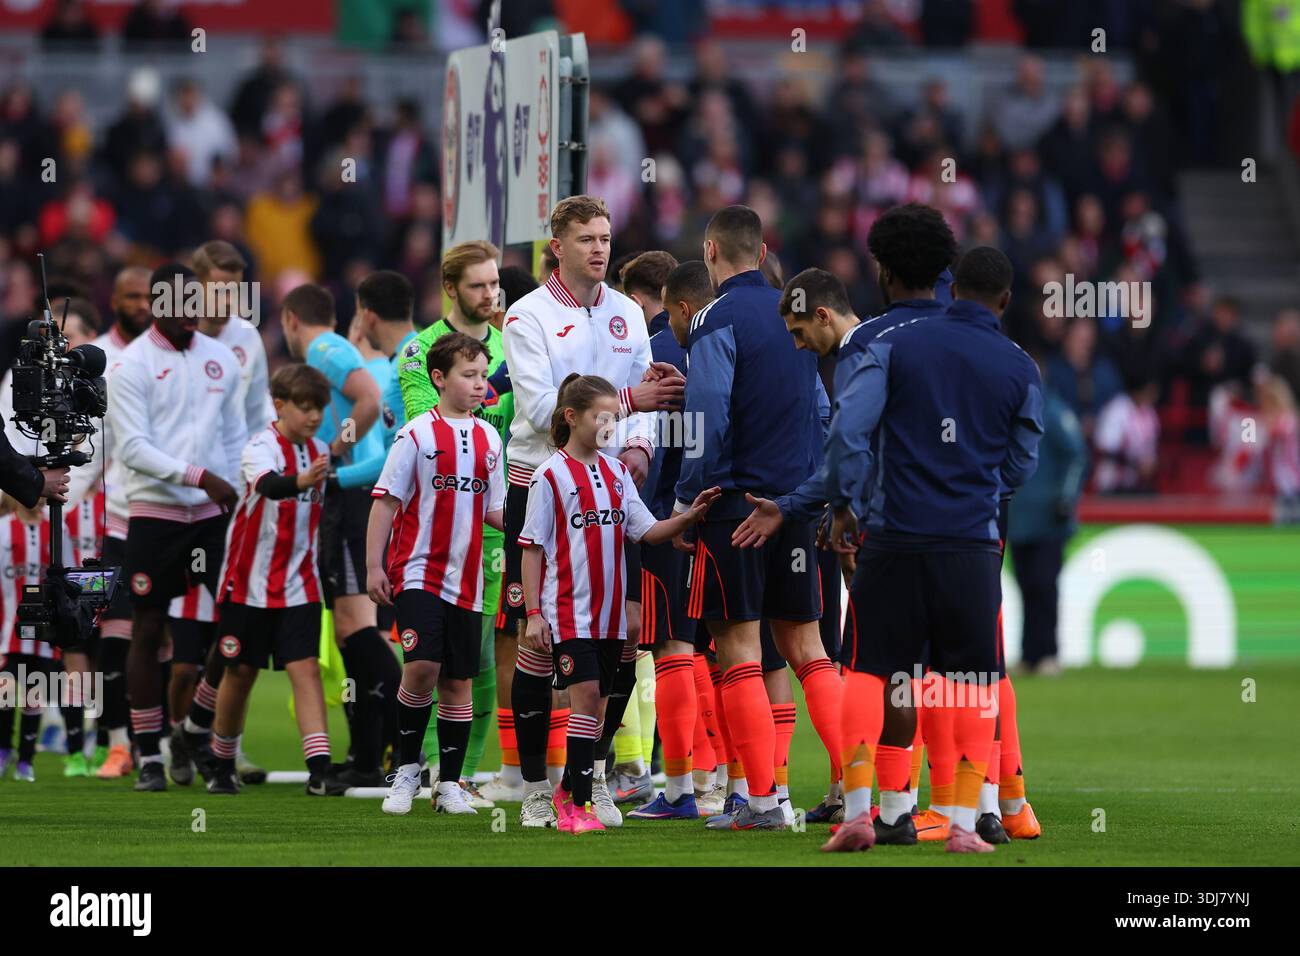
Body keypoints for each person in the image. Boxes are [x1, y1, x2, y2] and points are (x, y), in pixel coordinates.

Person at [821, 246, 1044, 854]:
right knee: (972, 681)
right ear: (1003, 300)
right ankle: (967, 825)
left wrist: (845, 503)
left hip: (891, 538)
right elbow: (1023, 462)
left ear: (953, 289)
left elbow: (848, 430)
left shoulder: (893, 346)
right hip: (971, 546)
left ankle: (861, 816)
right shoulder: (1019, 366)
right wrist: (974, 487)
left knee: (871, 670)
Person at [500, 195, 683, 829]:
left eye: (605, 237)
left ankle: (591, 778)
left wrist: (637, 447)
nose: (600, 249)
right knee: (536, 641)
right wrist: (630, 401)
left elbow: (653, 402)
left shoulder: (629, 312)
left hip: (613, 488)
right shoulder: (527, 316)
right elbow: (537, 409)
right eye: (586, 239)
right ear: (558, 246)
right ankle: (530, 786)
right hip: (541, 484)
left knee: (622, 644)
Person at [672, 204, 839, 832]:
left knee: (737, 648)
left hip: (737, 505)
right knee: (808, 648)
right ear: (764, 251)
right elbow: (821, 408)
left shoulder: (717, 315)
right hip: (795, 505)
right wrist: (808, 490)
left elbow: (709, 412)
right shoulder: (789, 314)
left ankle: (765, 802)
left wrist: (692, 497)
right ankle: (858, 785)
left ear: (711, 251)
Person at [518, 374, 719, 834]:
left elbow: (646, 531)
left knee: (600, 707)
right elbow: (531, 548)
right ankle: (575, 807)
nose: (611, 426)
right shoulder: (548, 476)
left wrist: (689, 516)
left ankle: (573, 791)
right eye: (602, 417)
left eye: (615, 417)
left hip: (611, 618)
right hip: (569, 613)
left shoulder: (615, 472)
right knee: (585, 699)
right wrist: (532, 614)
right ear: (571, 418)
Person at [104, 263, 246, 792]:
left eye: (197, 300)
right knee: (147, 629)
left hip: (210, 516)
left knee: (236, 624)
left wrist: (234, 487)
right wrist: (200, 476)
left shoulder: (219, 359)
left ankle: (194, 727)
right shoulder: (130, 365)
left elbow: (234, 433)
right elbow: (133, 448)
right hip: (156, 514)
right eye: (181, 303)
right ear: (157, 306)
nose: (192, 311)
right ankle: (147, 756)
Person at [369, 333, 505, 816]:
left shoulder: (490, 438)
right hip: (416, 571)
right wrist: (373, 566)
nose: (479, 385)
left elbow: (495, 509)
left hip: (468, 581)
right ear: (439, 378)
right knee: (422, 667)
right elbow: (387, 500)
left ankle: (449, 784)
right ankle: (407, 770)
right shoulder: (416, 434)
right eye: (469, 375)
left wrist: (538, 533)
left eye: (483, 375)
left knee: (457, 682)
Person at [398, 241, 513, 805]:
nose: (490, 294)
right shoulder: (419, 352)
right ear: (450, 289)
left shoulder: (513, 346)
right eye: (477, 286)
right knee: (425, 659)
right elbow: (426, 423)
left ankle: (459, 774)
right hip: (433, 522)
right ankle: (409, 767)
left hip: (494, 518)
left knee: (482, 658)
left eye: (495, 283)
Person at [280, 282, 396, 791]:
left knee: (353, 629)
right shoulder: (340, 350)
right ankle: (367, 756)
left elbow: (367, 401)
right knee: (351, 638)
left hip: (350, 502)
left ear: (289, 320)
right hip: (351, 500)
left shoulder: (323, 348)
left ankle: (403, 724)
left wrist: (331, 449)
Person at [168, 239, 274, 788]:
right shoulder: (168, 339)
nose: (230, 295)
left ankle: (215, 739)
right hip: (170, 502)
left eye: (237, 284)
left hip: (232, 503)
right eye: (219, 284)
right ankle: (162, 739)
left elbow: (259, 413)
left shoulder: (246, 339)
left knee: (239, 624)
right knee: (179, 639)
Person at [205, 365, 333, 795]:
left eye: (319, 408)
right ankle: (221, 761)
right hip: (248, 584)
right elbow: (271, 487)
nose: (314, 416)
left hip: (300, 583)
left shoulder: (317, 450)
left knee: (306, 670)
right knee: (239, 673)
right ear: (279, 405)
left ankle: (319, 769)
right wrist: (304, 479)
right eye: (304, 407)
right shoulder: (259, 447)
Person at [1008, 361, 1088, 675]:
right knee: (1028, 585)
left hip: (1047, 520)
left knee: (1043, 585)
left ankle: (1048, 652)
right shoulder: (1016, 412)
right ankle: (1031, 654)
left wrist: (1066, 498)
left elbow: (1077, 455)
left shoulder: (1052, 411)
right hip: (1020, 519)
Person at [0, 496, 75, 782]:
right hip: (8, 630)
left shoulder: (59, 529)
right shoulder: (3, 528)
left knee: (34, 694)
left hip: (45, 634)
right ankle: (4, 748)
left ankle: (26, 760)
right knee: (4, 690)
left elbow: (69, 578)